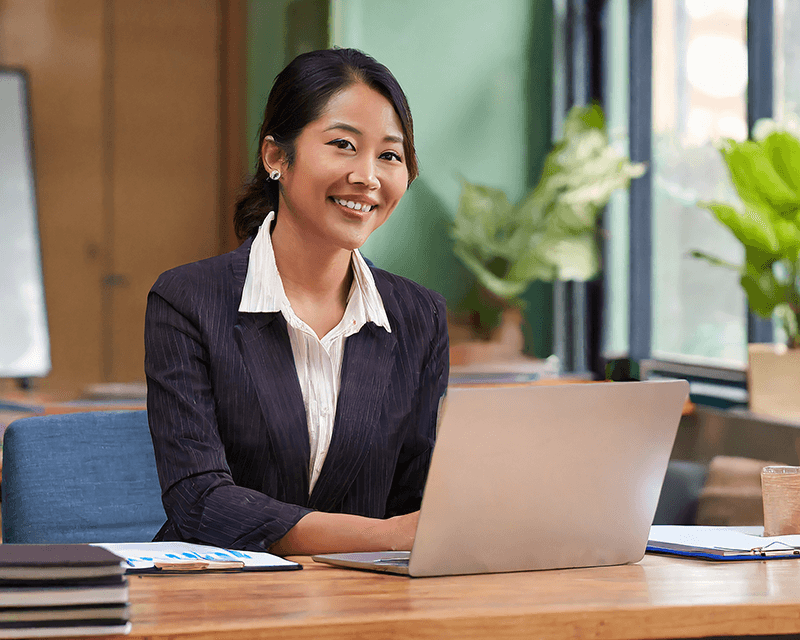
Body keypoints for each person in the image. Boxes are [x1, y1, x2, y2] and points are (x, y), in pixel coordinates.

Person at [144, 48, 449, 556]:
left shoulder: (419, 316)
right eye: (343, 145)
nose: (368, 176)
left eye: (390, 155)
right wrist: (382, 537)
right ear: (275, 158)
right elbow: (198, 500)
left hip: (367, 599)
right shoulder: (188, 301)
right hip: (221, 595)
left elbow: (417, 496)